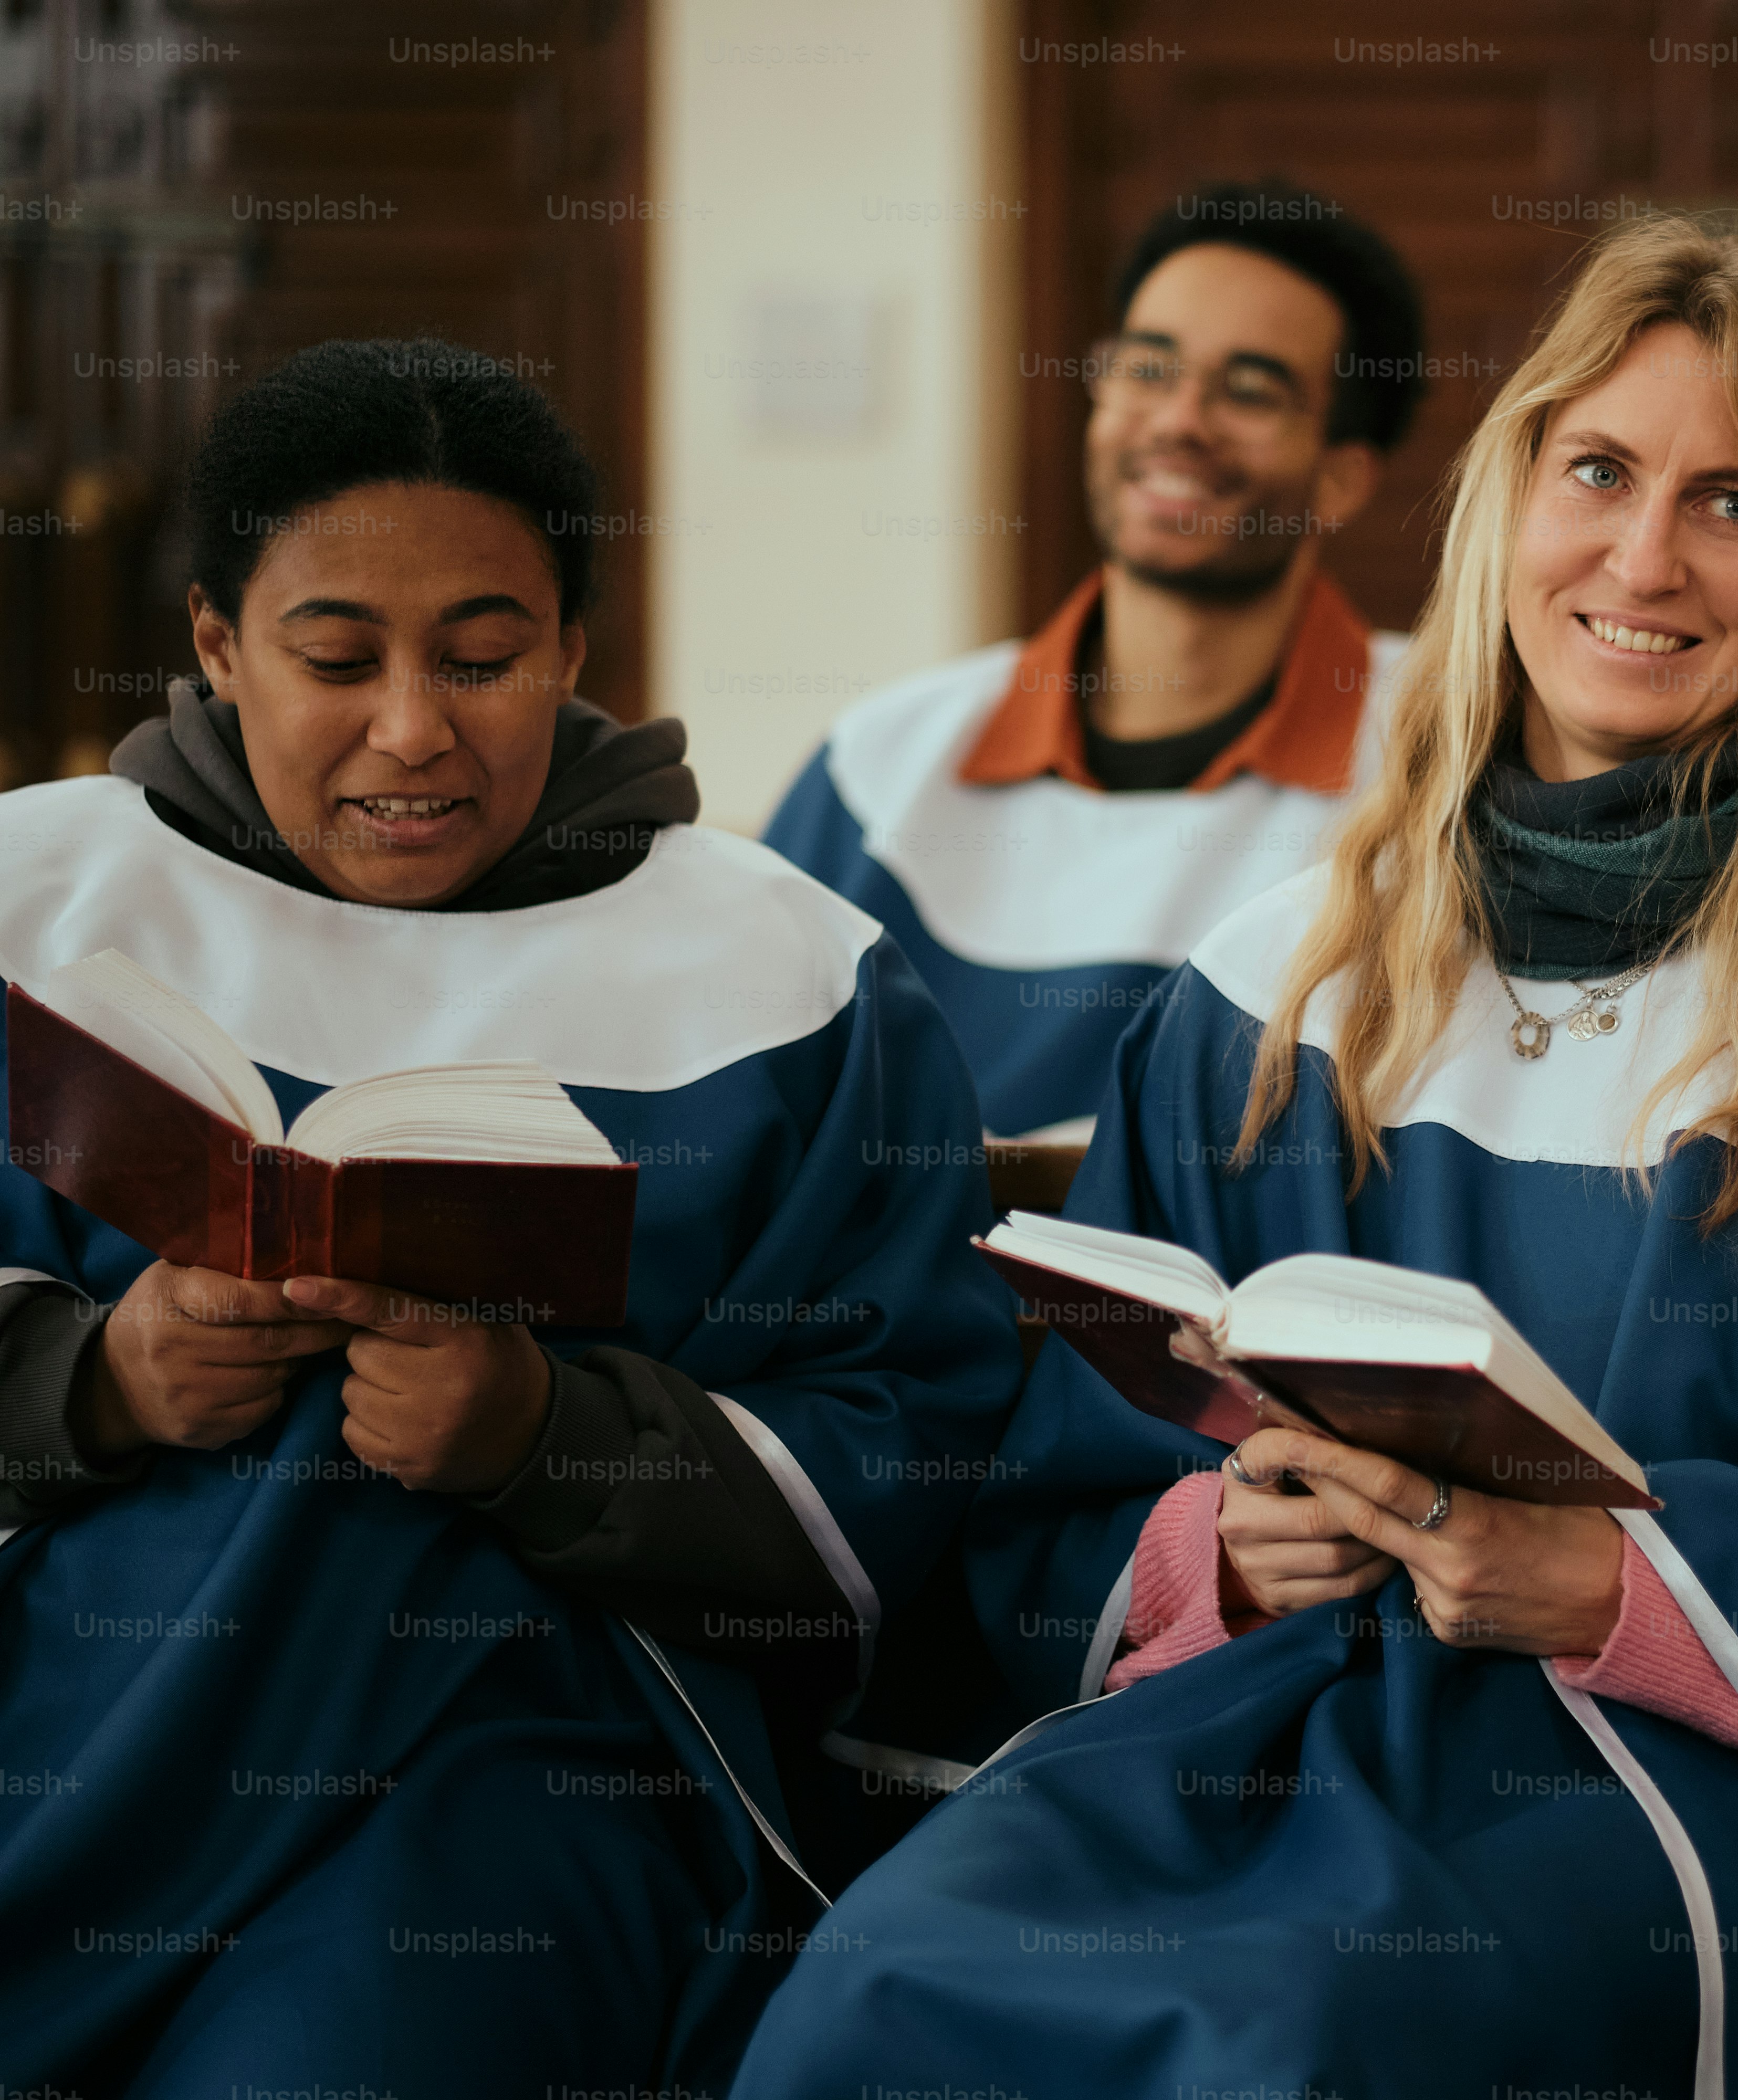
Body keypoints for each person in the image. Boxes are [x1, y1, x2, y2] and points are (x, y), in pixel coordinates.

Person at [732, 217, 1738, 2097]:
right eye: (1601, 473)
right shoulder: (1286, 975)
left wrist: (1623, 1584)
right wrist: (1216, 1543)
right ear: (1510, 506)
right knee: (877, 1986)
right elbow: (1060, 1458)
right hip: (1272, 1718)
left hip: (1709, 1793)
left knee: (1305, 2031)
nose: (1644, 558)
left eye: (1733, 502)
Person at [0, 340, 1022, 2093]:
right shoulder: (41, 894)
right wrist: (102, 1380)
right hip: (76, 1720)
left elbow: (913, 1460)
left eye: (483, 658)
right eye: (336, 657)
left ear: (569, 649)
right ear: (217, 644)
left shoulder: (789, 979)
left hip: (522, 1767)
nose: (414, 729)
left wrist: (544, 1433)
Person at [763, 178, 1426, 1142]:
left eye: (1248, 389)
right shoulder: (880, 769)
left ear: (1340, 476)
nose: (1179, 421)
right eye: (1147, 370)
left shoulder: (1444, 750)